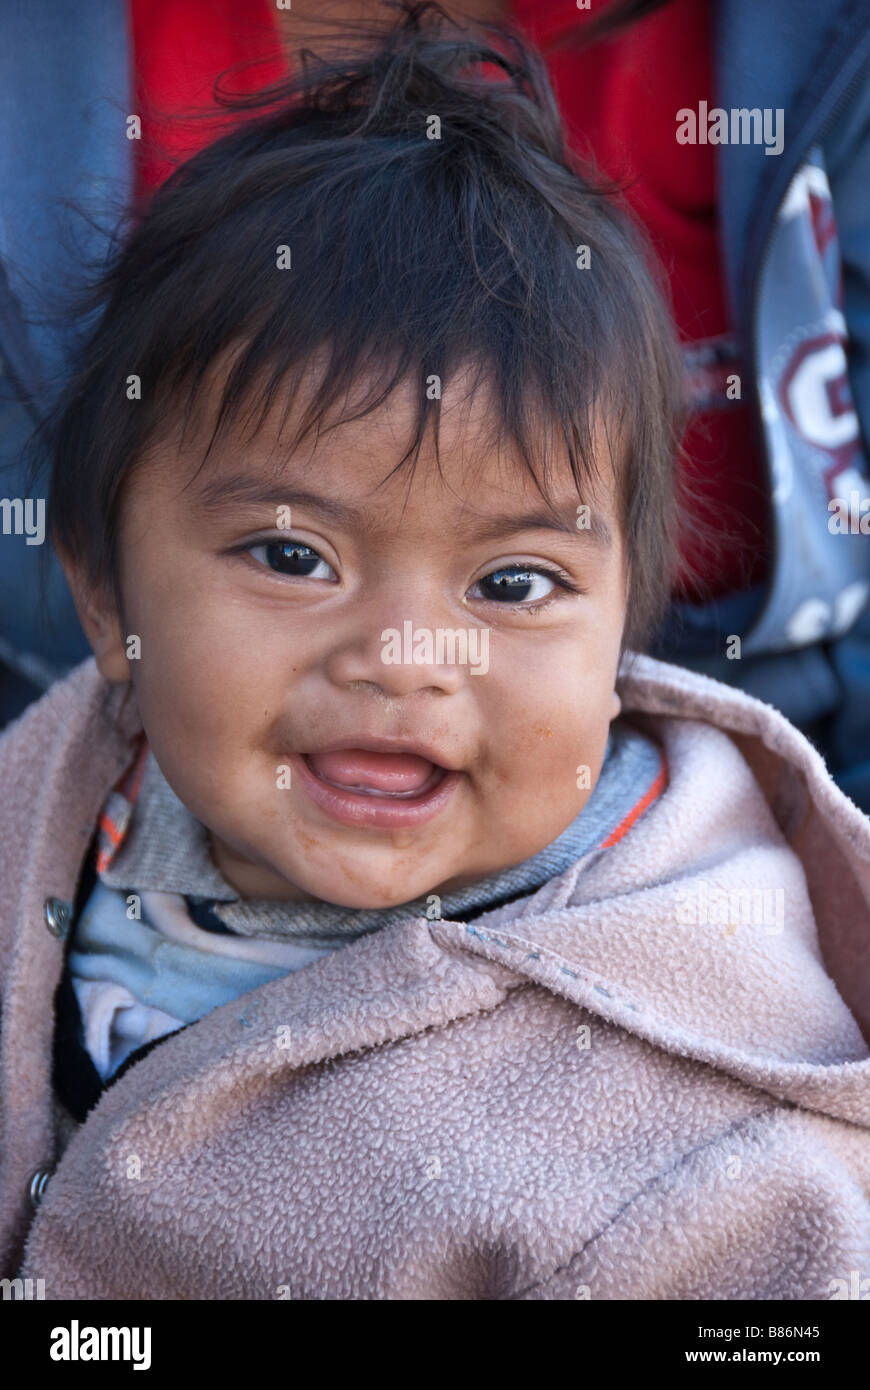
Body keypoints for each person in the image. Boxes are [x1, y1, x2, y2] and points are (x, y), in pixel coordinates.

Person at [2, 4, 869, 1300]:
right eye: (293, 557)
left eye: (513, 582)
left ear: (625, 637)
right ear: (96, 589)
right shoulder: (53, 809)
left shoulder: (692, 1099)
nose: (406, 655)